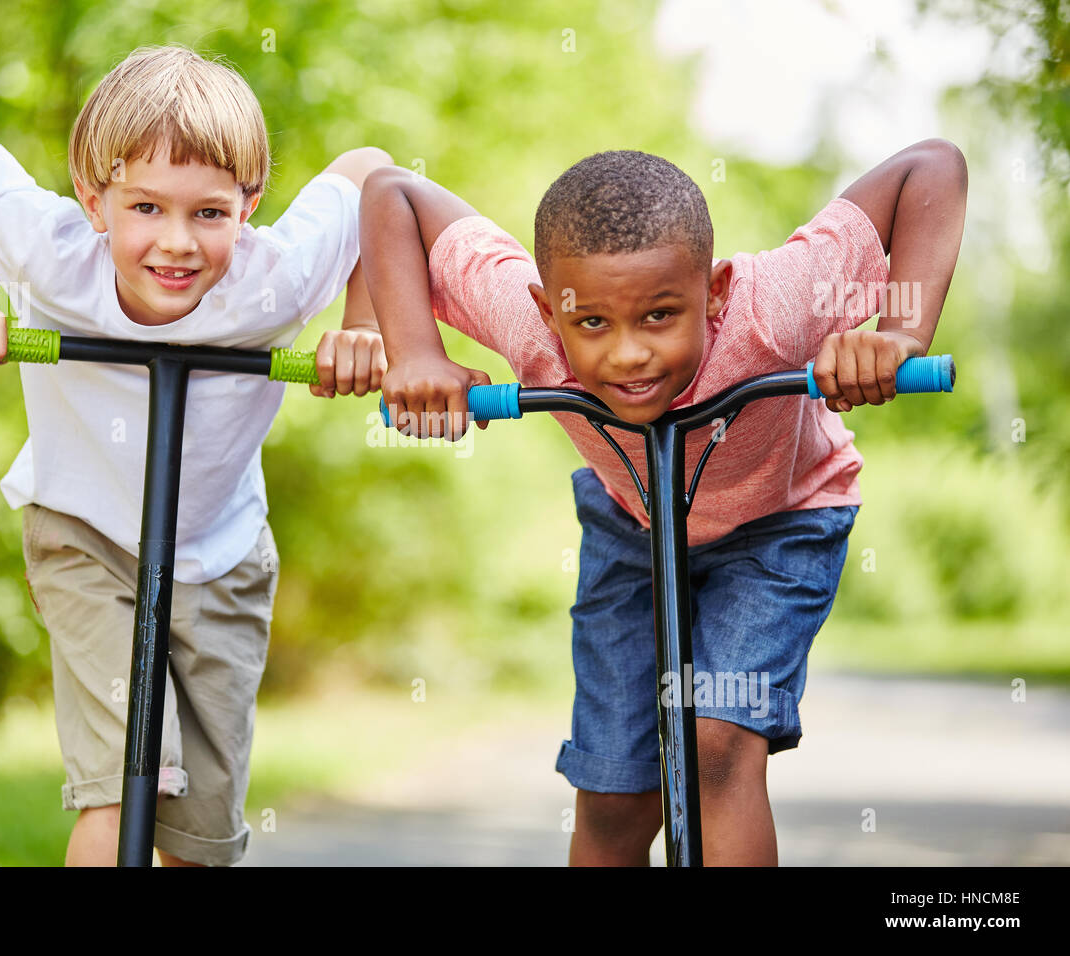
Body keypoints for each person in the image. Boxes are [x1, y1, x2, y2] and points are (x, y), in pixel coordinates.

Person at [360, 139, 967, 865]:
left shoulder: (773, 304)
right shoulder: (525, 323)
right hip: (632, 526)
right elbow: (391, 191)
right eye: (591, 324)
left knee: (716, 740)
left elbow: (932, 166)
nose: (627, 355)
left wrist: (899, 334)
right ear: (547, 312)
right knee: (615, 791)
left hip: (782, 522)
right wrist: (414, 350)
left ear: (712, 294)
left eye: (658, 316)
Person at [0, 44, 391, 866]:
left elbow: (376, 177)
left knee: (200, 843)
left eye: (209, 213)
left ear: (249, 205)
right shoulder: (53, 253)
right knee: (128, 781)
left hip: (225, 555)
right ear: (94, 202)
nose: (177, 243)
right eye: (144, 209)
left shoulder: (274, 278)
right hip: (85, 537)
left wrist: (369, 324)